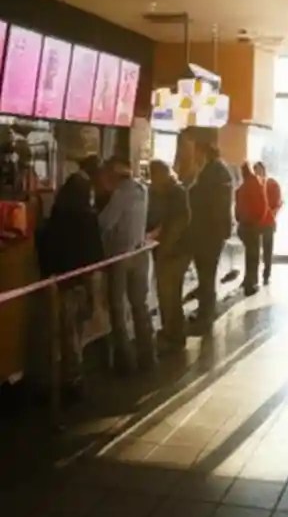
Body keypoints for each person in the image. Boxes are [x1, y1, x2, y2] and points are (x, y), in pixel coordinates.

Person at [34, 173, 105, 398]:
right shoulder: (88, 218)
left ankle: (59, 378)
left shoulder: (56, 216)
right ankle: (73, 380)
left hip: (57, 280)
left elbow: (45, 246)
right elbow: (95, 253)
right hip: (80, 281)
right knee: (75, 332)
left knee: (60, 333)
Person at [97, 156, 153, 374]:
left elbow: (105, 223)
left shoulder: (121, 194)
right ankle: (148, 356)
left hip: (121, 257)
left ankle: (125, 361)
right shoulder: (143, 190)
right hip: (140, 254)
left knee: (118, 308)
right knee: (140, 306)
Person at [187, 142, 233, 331]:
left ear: (205, 153)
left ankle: (205, 314)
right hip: (215, 231)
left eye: (197, 152)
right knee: (208, 274)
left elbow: (199, 198)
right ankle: (207, 311)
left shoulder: (212, 173)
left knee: (206, 274)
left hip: (207, 232)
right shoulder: (222, 171)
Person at [147, 160, 190, 352]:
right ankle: (173, 332)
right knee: (170, 295)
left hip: (173, 252)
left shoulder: (176, 192)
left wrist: (165, 245)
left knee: (169, 295)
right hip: (170, 250)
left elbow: (180, 221)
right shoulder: (166, 191)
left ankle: (172, 334)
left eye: (153, 174)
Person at [235, 163, 270, 296]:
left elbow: (237, 211)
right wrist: (259, 222)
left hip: (244, 226)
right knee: (253, 256)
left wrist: (240, 219)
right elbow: (264, 205)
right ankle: (251, 283)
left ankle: (248, 280)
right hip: (254, 226)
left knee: (249, 255)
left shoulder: (241, 189)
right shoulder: (257, 185)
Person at [254, 162, 281, 286]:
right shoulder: (253, 186)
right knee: (254, 250)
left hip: (267, 222)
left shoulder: (272, 184)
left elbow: (277, 203)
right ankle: (254, 275)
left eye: (259, 170)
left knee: (267, 250)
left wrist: (272, 213)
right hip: (255, 223)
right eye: (255, 171)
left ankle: (266, 274)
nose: (257, 173)